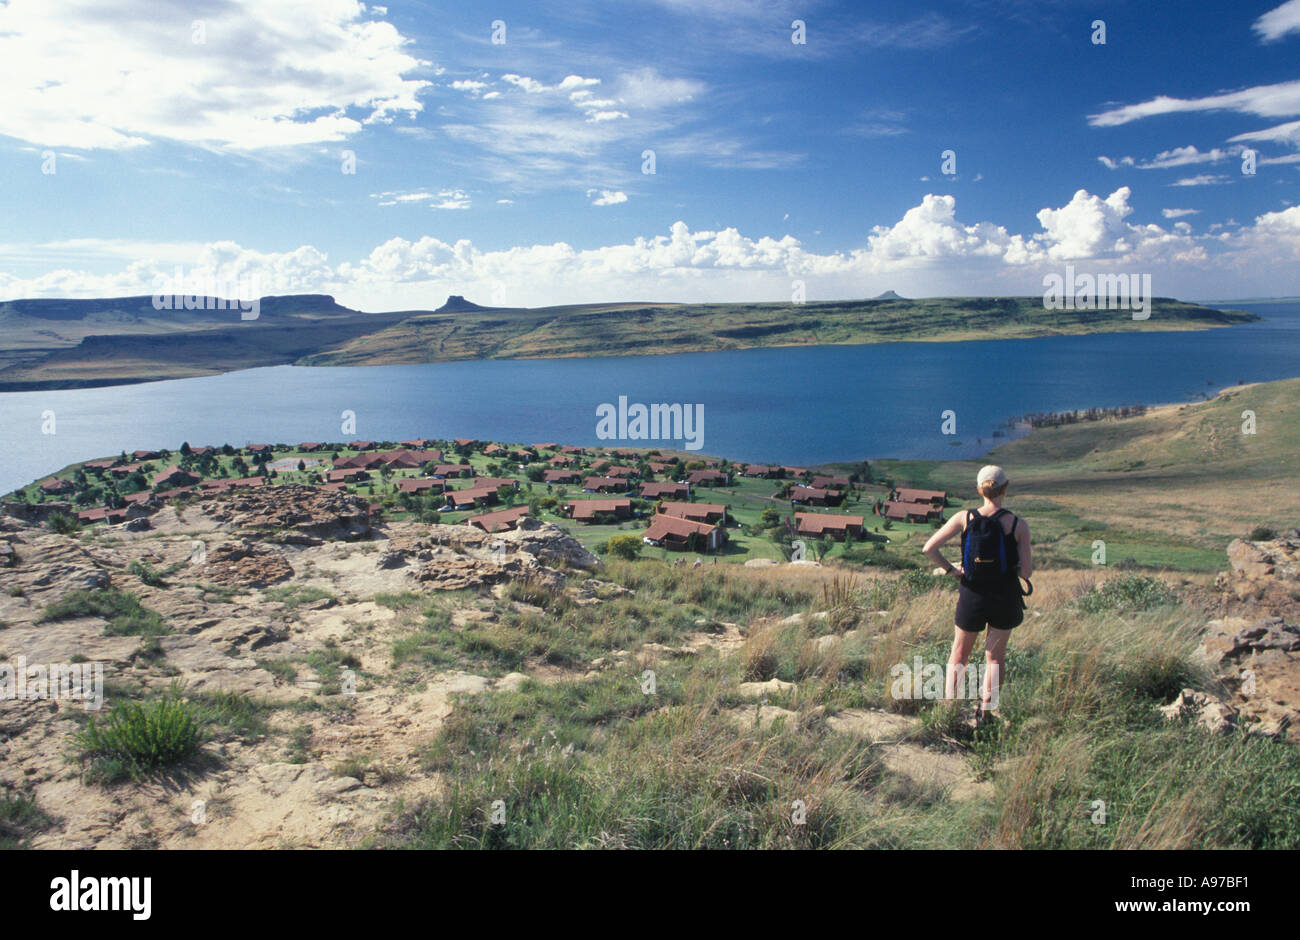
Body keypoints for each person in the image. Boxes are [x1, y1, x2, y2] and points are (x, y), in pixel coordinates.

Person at [921, 465, 1032, 723]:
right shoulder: (1017, 524)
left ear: (979, 489)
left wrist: (952, 570)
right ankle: (986, 712)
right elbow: (1026, 571)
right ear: (1006, 488)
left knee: (959, 653)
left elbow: (929, 548)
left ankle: (949, 709)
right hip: (1005, 596)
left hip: (972, 594)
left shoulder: (964, 518)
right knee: (994, 657)